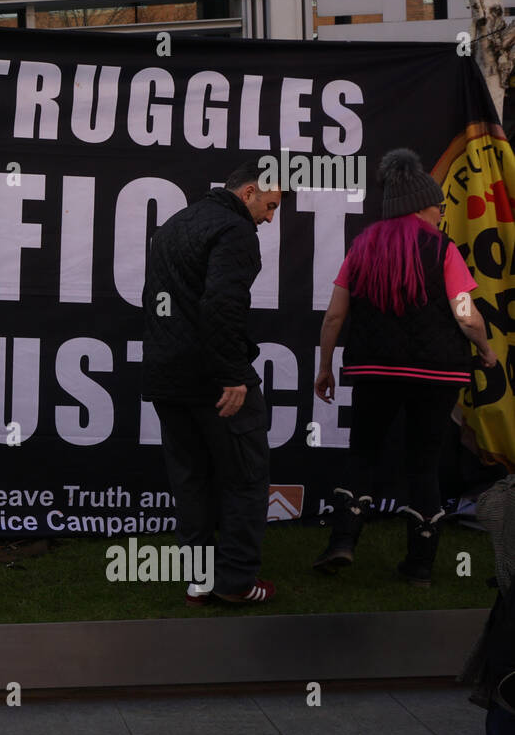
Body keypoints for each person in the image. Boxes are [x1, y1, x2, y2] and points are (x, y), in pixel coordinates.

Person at [314, 148, 498, 586]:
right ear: (421, 206)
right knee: (422, 464)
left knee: (363, 455)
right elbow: (466, 313)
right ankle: (419, 567)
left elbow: (335, 316)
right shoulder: (443, 249)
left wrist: (325, 366)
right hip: (437, 374)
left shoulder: (362, 246)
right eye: (438, 207)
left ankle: (342, 542)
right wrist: (486, 350)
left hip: (374, 370)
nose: (441, 214)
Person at [142, 163, 282, 605]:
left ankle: (199, 580)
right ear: (248, 193)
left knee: (191, 481)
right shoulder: (236, 232)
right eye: (270, 205)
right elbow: (221, 306)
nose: (270, 218)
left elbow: (159, 305)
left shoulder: (173, 225)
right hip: (212, 380)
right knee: (245, 477)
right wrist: (234, 375)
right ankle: (237, 582)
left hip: (167, 377)